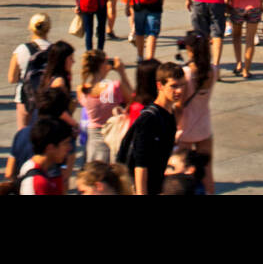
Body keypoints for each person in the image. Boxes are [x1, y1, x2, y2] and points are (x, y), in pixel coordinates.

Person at [123, 61, 186, 195]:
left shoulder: (169, 114)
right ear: (160, 85)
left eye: (182, 85)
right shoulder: (149, 118)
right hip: (146, 188)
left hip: (159, 186)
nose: (179, 90)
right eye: (173, 86)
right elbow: (140, 163)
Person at [177, 32, 216, 194]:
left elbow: (179, 105)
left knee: (180, 170)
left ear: (189, 49)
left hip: (185, 127)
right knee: (206, 170)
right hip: (204, 125)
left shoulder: (186, 72)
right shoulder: (213, 70)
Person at [77, 50, 131, 164]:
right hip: (113, 134)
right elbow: (132, 99)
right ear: (102, 65)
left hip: (93, 139)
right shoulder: (114, 87)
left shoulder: (82, 90)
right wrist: (122, 72)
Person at [8, 13, 52, 130]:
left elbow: (11, 78)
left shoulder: (21, 49)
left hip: (25, 98)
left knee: (24, 135)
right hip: (46, 99)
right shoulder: (55, 50)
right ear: (49, 28)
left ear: (30, 28)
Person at [17, 116, 75, 194]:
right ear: (50, 148)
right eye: (65, 143)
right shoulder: (38, 182)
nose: (69, 148)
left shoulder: (31, 166)